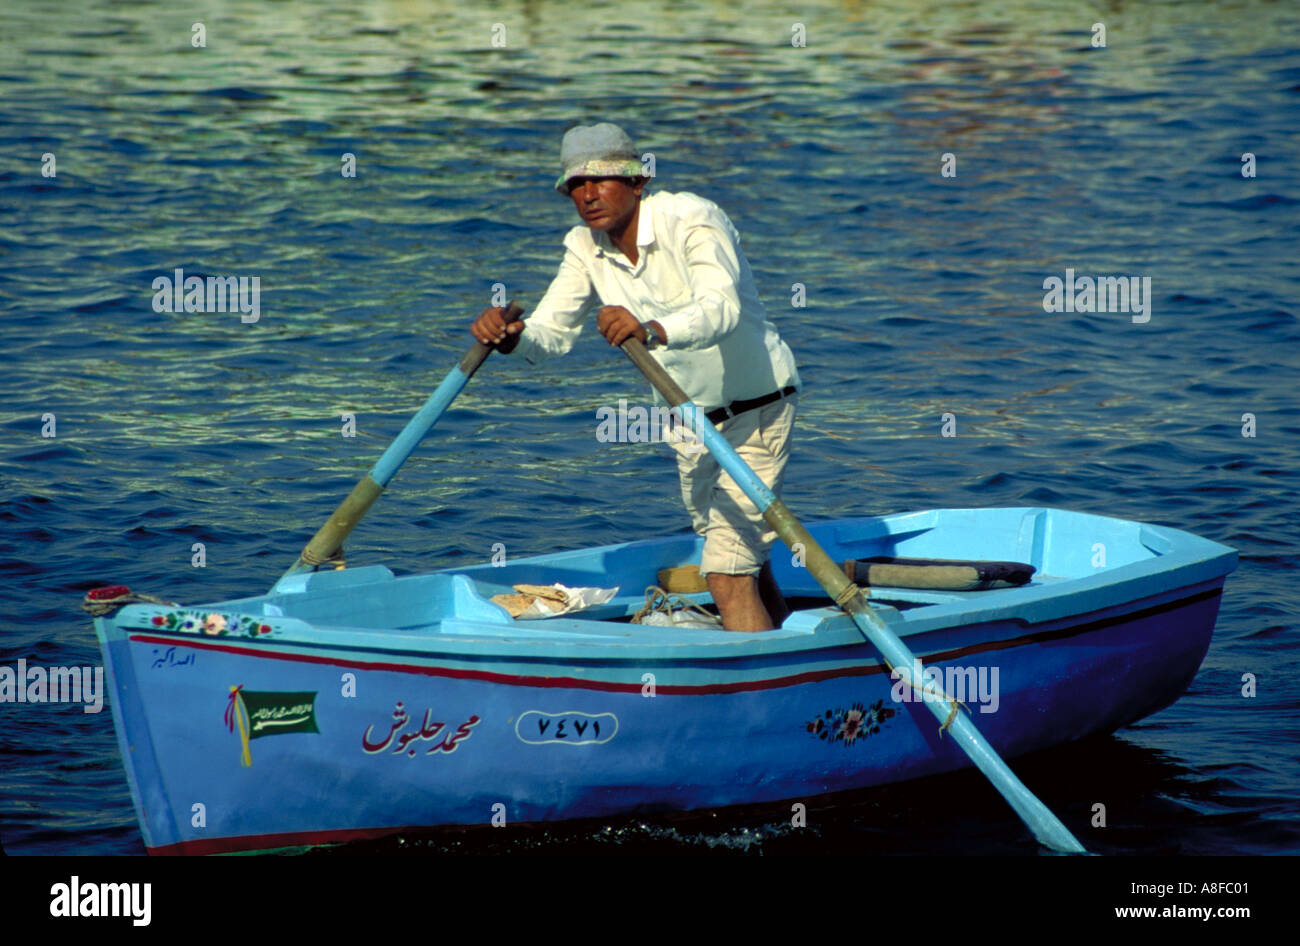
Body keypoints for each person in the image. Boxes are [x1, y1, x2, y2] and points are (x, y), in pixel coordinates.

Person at [470, 123, 801, 631]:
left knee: (726, 574)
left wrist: (651, 329)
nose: (587, 196)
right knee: (737, 556)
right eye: (575, 186)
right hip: (689, 424)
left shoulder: (692, 217)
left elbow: (721, 308)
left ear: (638, 182)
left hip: (757, 409)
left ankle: (763, 691)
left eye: (600, 181)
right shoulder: (585, 246)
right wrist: (511, 335)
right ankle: (779, 639)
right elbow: (551, 333)